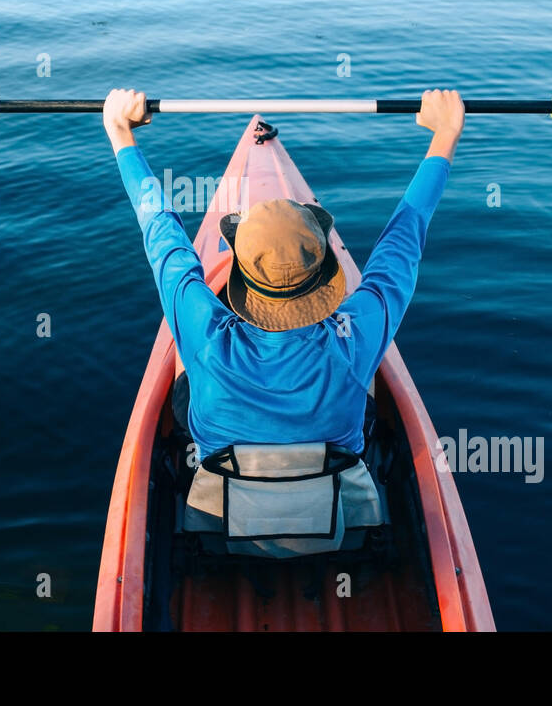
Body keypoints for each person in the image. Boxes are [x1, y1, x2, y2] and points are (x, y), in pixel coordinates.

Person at [105, 88, 463, 461]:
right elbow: (404, 241)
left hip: (221, 503)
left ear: (241, 277)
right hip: (336, 510)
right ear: (324, 274)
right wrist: (445, 133)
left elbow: (160, 230)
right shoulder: (356, 338)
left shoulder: (203, 331)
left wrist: (120, 131)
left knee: (185, 358)